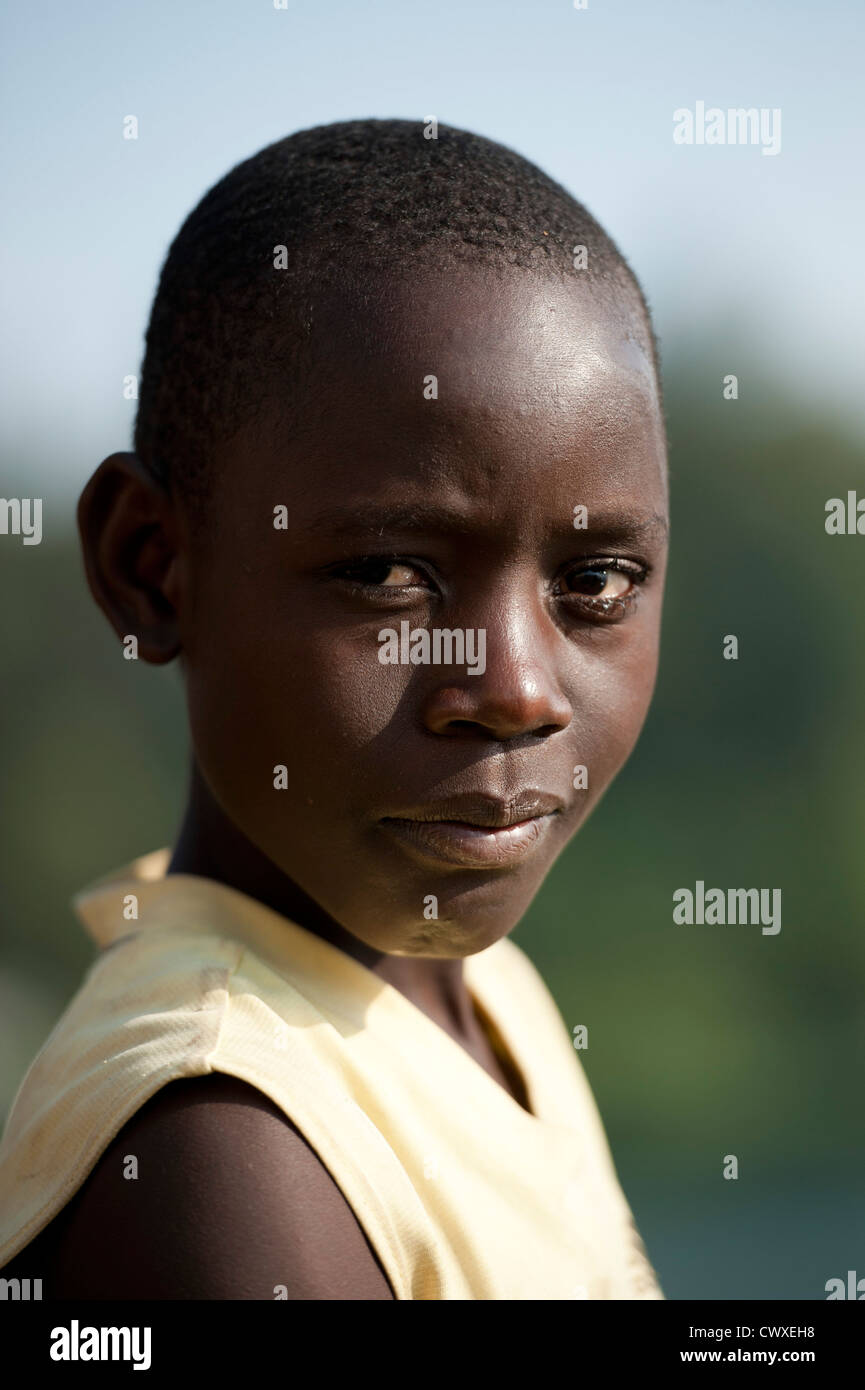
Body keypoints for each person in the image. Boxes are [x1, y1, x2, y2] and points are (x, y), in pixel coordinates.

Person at [0, 118, 668, 1299]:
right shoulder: (225, 1154)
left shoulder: (478, 987)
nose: (513, 688)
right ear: (152, 567)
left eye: (595, 583)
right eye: (389, 574)